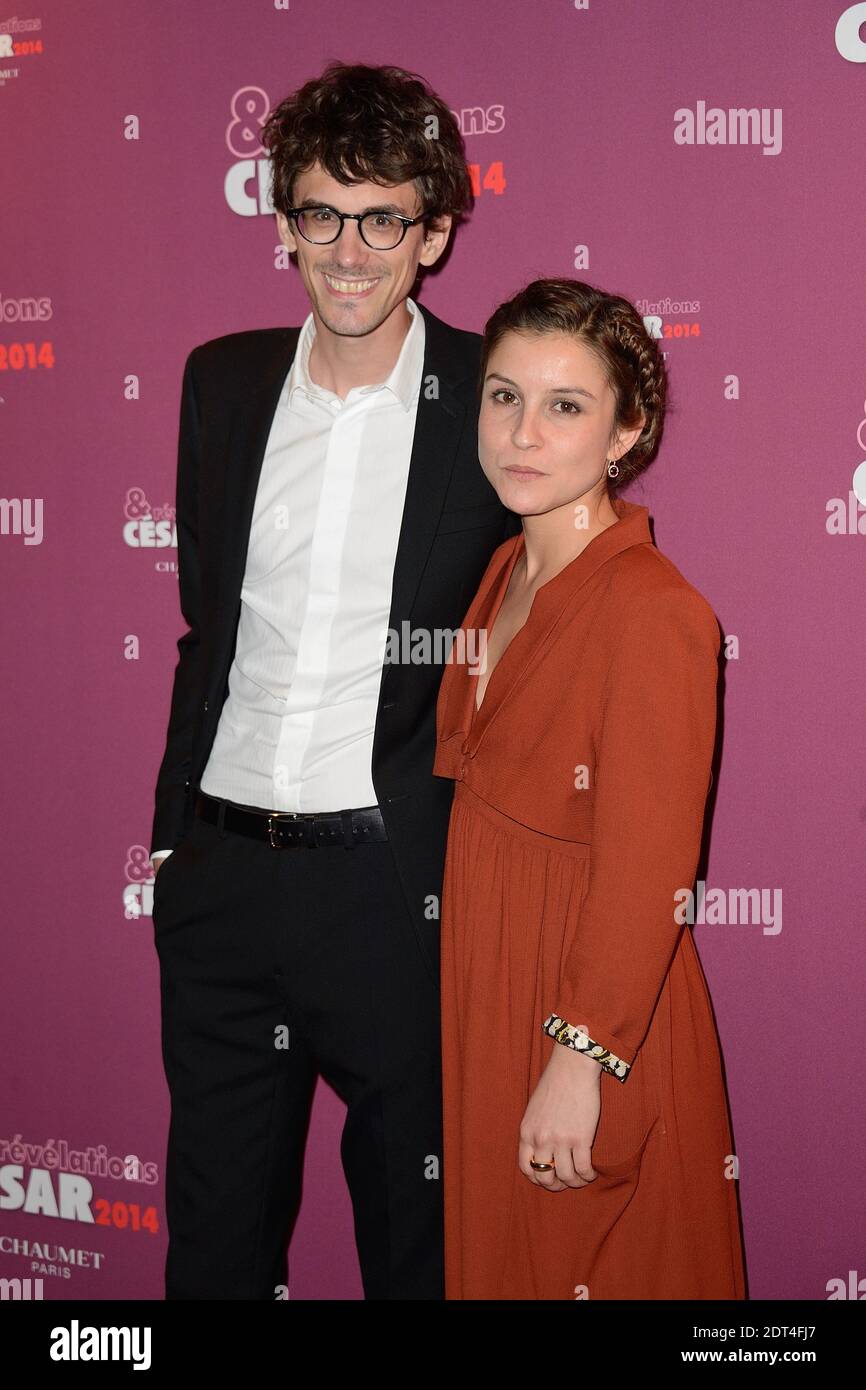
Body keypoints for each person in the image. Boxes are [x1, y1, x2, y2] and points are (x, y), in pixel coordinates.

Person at [148, 61, 519, 1300]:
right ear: (282, 223)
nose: (349, 250)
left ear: (435, 231)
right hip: (221, 876)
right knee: (212, 1235)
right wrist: (170, 843)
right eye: (319, 213)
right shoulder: (224, 379)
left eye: (383, 218)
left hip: (392, 888)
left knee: (415, 1245)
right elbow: (210, 625)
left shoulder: (490, 398)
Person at [433, 277, 747, 1300]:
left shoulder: (655, 610)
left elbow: (651, 862)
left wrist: (583, 1058)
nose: (522, 431)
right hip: (491, 980)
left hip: (584, 1003)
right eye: (502, 395)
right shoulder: (500, 572)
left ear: (627, 428)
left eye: (564, 405)